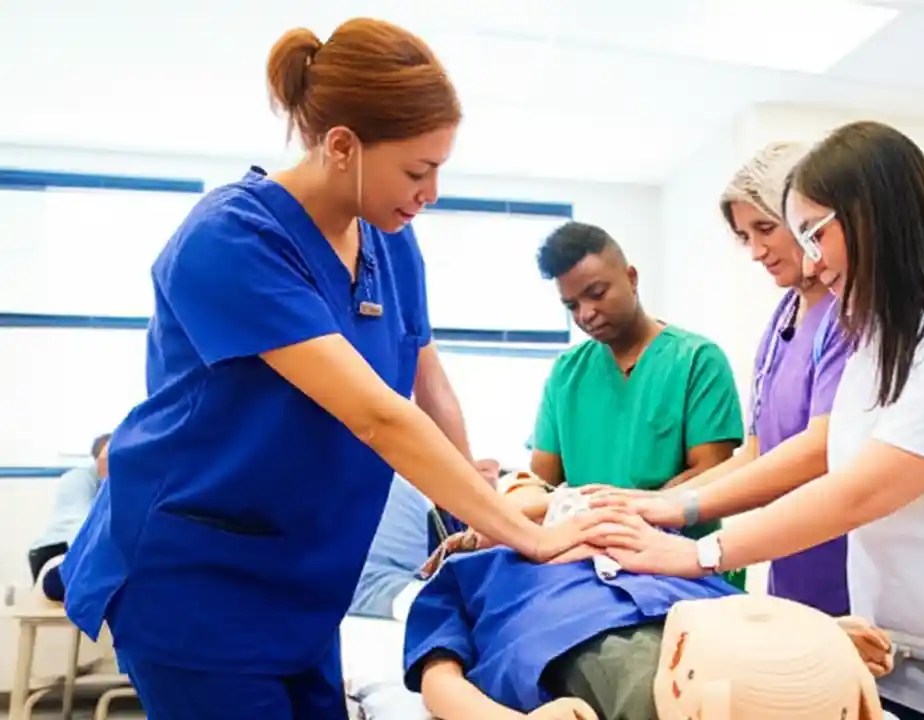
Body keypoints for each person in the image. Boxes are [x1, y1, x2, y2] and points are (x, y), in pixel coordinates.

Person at [58, 19, 620, 720]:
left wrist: (471, 517)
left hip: (303, 580)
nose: (433, 191)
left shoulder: (391, 242)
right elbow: (376, 414)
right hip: (195, 578)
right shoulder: (231, 237)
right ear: (343, 146)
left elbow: (430, 388)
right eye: (417, 171)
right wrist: (528, 535)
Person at [594, 121, 924, 720]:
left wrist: (699, 552)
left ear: (872, 215)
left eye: (813, 234)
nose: (810, 260)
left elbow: (863, 489)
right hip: (915, 662)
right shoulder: (875, 334)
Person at [403, 482, 896, 720]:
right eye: (517, 494)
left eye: (564, 493)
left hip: (718, 639)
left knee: (791, 685)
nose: (563, 500)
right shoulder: (474, 572)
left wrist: (810, 634)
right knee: (647, 693)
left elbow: (735, 610)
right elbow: (438, 677)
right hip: (592, 645)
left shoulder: (655, 545)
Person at [617, 141, 855, 616]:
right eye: (745, 236)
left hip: (846, 563)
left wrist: (685, 511)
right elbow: (756, 452)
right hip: (791, 565)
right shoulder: (784, 315)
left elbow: (821, 449)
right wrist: (651, 503)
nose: (756, 252)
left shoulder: (845, 316)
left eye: (765, 229)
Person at [529, 222, 744, 541]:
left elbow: (711, 475)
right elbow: (541, 484)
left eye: (597, 294)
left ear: (631, 278)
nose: (586, 314)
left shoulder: (697, 361)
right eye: (572, 305)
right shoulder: (566, 373)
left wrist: (625, 514)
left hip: (678, 554)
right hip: (584, 554)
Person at [27, 433, 110, 600]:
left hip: (84, 552)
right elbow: (79, 527)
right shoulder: (78, 479)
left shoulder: (122, 482)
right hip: (57, 549)